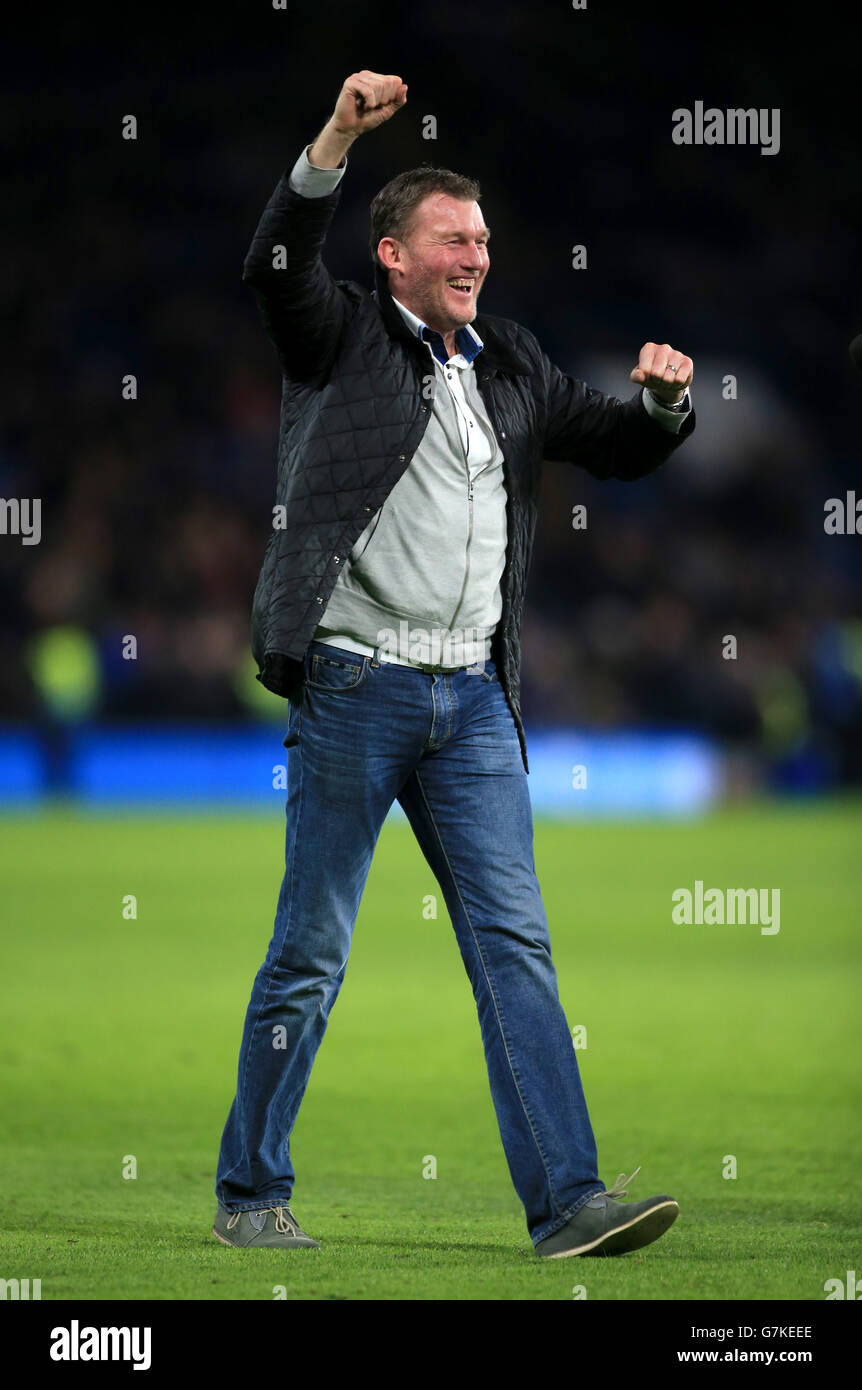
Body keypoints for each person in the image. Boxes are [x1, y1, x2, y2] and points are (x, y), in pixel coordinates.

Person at [213, 70, 695, 1258]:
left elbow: (614, 448)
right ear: (391, 255)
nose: (476, 252)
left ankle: (568, 1204)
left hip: (474, 700)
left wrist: (659, 407)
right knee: (312, 951)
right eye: (451, 238)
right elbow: (275, 262)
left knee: (513, 946)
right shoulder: (334, 337)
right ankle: (249, 1194)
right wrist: (331, 134)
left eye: (482, 237)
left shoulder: (512, 362)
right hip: (355, 685)